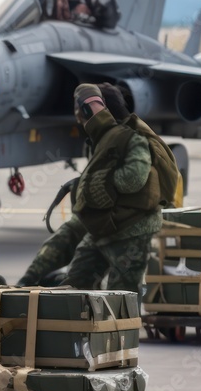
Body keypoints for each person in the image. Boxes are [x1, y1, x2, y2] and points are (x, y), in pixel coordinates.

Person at [56, 83, 165, 301]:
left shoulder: (133, 138)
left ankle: (124, 335)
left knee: (121, 298)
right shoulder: (104, 137)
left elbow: (134, 179)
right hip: (103, 227)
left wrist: (100, 182)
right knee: (73, 288)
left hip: (132, 230)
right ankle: (78, 332)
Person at [16, 85, 132, 286]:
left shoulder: (130, 142)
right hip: (103, 219)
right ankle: (21, 288)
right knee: (62, 242)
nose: (78, 118)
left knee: (115, 286)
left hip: (131, 225)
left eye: (83, 111)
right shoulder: (103, 139)